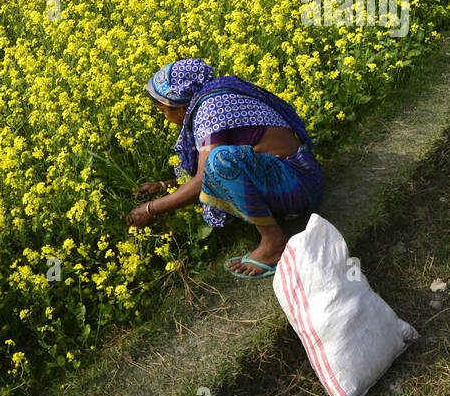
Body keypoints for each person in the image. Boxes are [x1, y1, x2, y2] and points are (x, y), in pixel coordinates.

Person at [127, 58, 323, 279]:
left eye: (162, 109)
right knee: (219, 162)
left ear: (180, 107)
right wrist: (165, 186)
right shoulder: (217, 96)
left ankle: (274, 244)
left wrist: (149, 209)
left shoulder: (211, 110)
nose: (164, 115)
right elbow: (208, 174)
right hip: (295, 180)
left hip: (298, 188)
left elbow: (205, 177)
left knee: (221, 161)